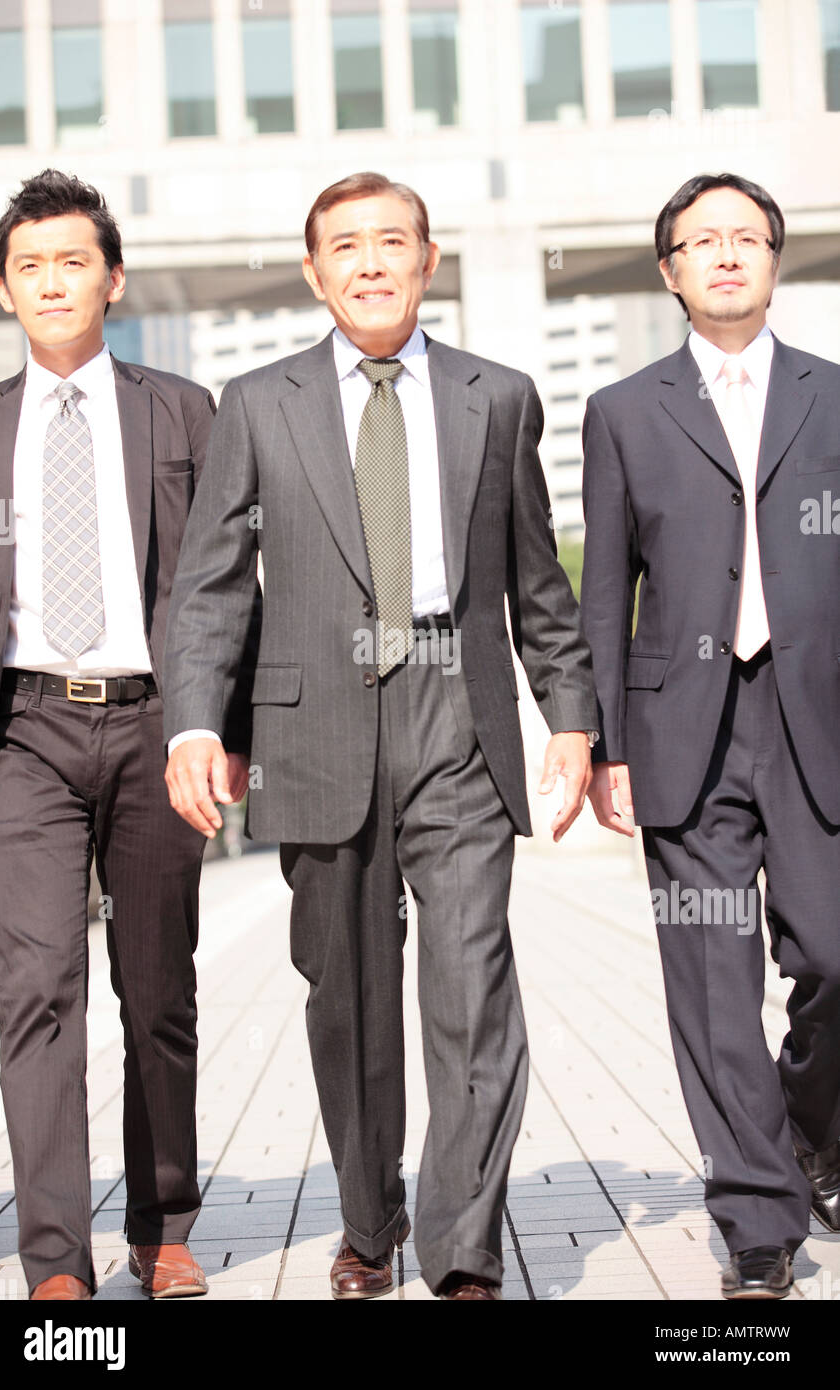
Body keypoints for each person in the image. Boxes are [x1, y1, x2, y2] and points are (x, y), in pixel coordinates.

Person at [163, 171, 596, 1300]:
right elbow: (209, 586)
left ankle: (461, 1249)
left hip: (458, 713)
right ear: (313, 272)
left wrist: (571, 720)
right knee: (345, 999)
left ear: (427, 259)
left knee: (471, 989)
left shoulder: (495, 397)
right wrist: (195, 725)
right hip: (315, 731)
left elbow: (537, 584)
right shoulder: (256, 402)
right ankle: (369, 1223)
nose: (368, 262)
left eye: (389, 241)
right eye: (343, 246)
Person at [0, 169, 242, 1301]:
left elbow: (221, 580)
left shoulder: (180, 410)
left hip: (152, 727)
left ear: (112, 276)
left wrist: (214, 728)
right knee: (36, 986)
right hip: (23, 730)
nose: (51, 282)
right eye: (29, 265)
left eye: (72, 260)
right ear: (3, 287)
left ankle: (163, 1223)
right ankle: (53, 1262)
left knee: (157, 986)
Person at [580, 171, 840, 1300]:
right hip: (681, 727)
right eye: (703, 241)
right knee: (710, 981)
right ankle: (754, 1215)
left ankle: (806, 1133)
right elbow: (602, 591)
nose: (726, 255)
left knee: (831, 957)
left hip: (818, 718)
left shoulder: (832, 397)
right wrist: (599, 741)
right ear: (668, 269)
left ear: (774, 260)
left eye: (746, 238)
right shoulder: (624, 411)